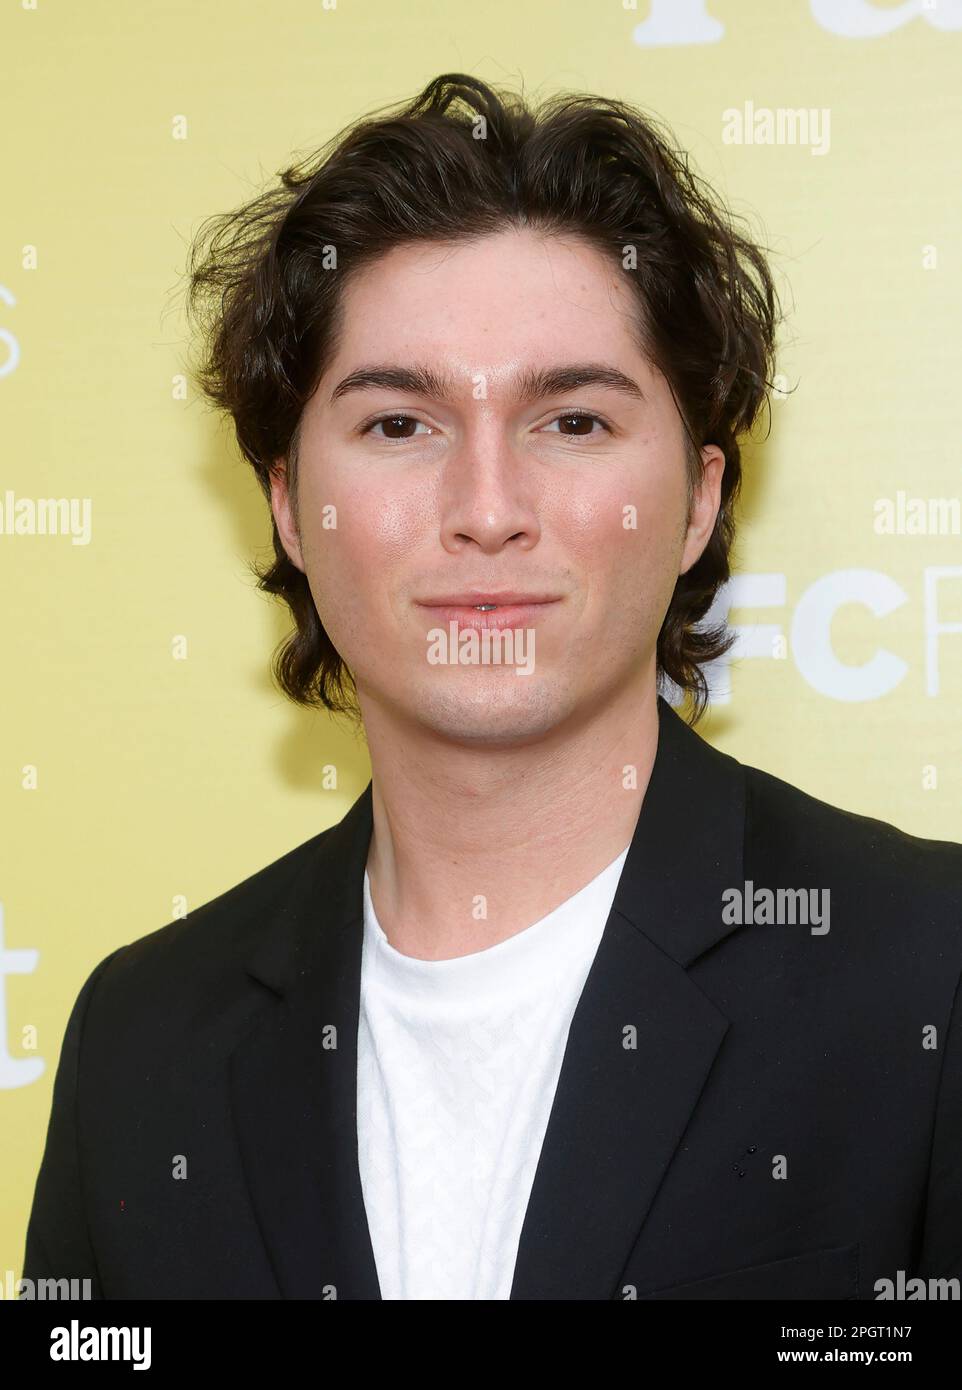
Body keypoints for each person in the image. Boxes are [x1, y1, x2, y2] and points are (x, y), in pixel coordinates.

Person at [21, 73, 962, 1301]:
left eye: (570, 421)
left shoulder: (923, 969)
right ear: (286, 507)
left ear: (697, 499)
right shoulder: (144, 1040)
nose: (485, 511)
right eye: (398, 425)